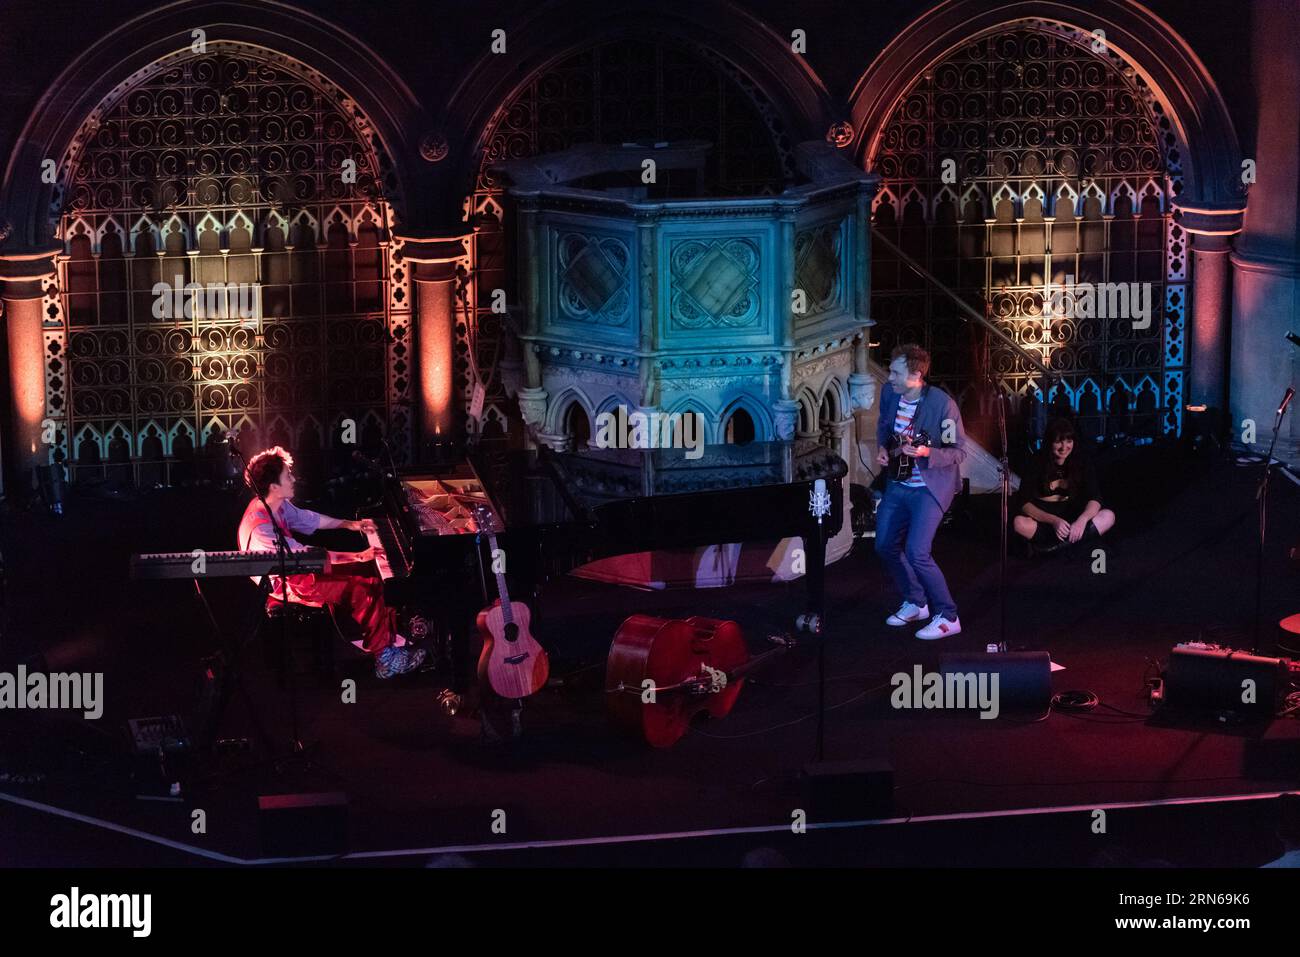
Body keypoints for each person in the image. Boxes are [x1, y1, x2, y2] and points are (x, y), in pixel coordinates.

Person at [237, 446, 426, 678]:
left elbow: (310, 519)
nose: (294, 479)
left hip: (300, 567)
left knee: (376, 571)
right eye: (288, 476)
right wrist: (356, 555)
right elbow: (309, 558)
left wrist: (350, 524)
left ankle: (387, 639)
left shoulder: (276, 504)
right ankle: (385, 661)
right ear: (273, 487)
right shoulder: (261, 529)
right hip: (287, 582)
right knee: (364, 586)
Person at [874, 344, 967, 639]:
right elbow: (884, 426)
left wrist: (928, 452)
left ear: (916, 375)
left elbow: (958, 452)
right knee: (884, 545)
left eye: (895, 372)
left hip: (930, 486)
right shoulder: (890, 394)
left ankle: (948, 615)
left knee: (917, 551)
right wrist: (882, 449)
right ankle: (916, 602)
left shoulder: (943, 405)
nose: (889, 377)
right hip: (898, 482)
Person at [1013, 418, 1115, 555]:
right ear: (1049, 442)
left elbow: (1095, 498)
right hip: (1045, 520)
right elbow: (1024, 503)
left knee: (1108, 516)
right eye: (1058, 441)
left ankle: (1049, 549)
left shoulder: (1082, 461)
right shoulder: (1036, 461)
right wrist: (1054, 521)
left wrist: (1082, 520)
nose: (1064, 447)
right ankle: (1076, 544)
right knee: (1019, 523)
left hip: (1073, 518)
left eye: (1069, 441)